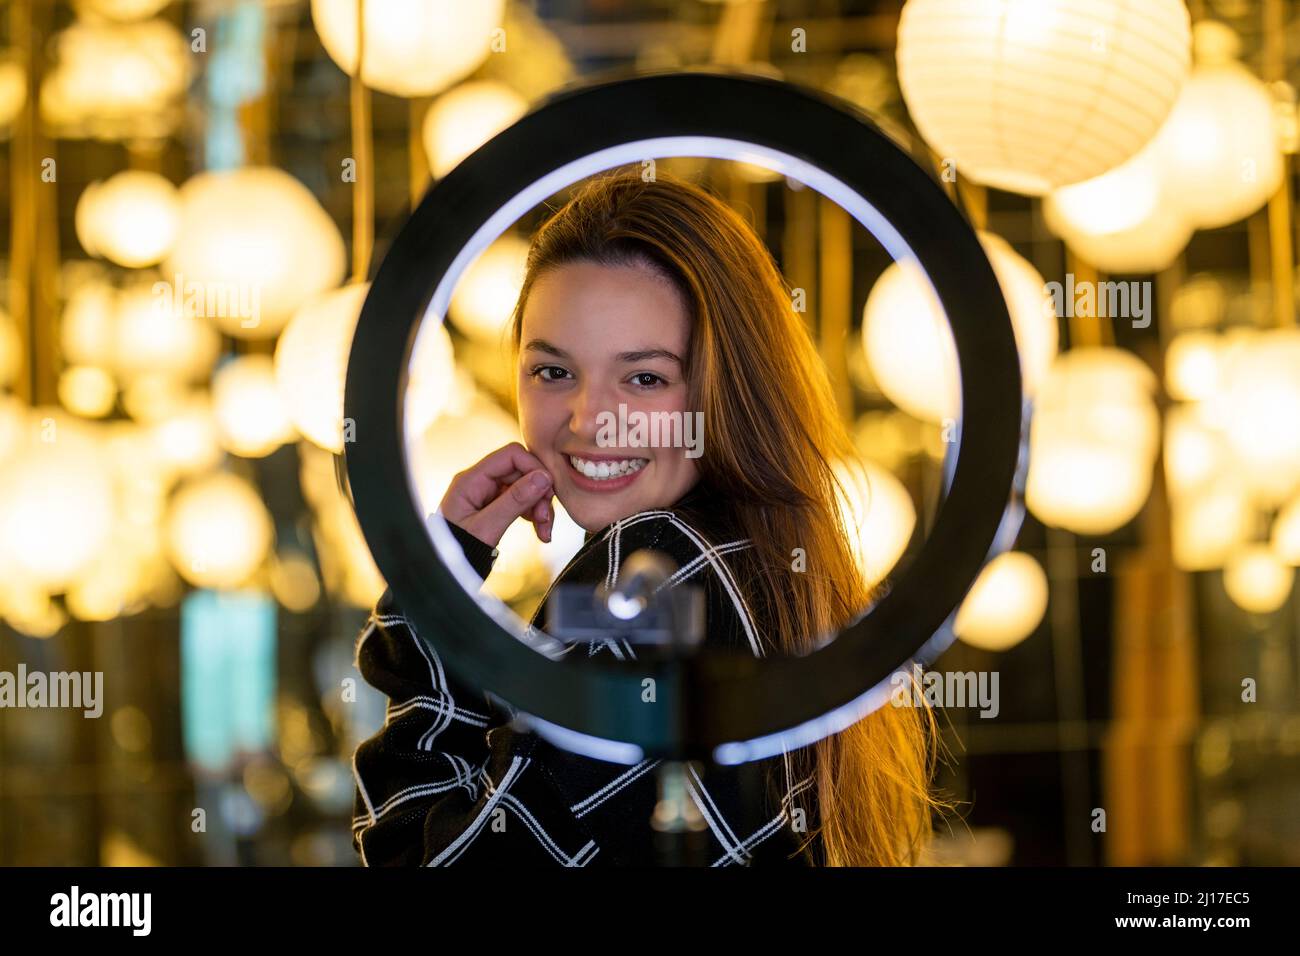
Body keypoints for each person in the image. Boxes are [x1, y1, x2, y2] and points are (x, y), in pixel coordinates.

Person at [350, 167, 945, 866]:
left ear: (725, 391)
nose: (588, 420)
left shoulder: (653, 568)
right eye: (552, 371)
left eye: (644, 378)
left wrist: (431, 601)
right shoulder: (756, 565)